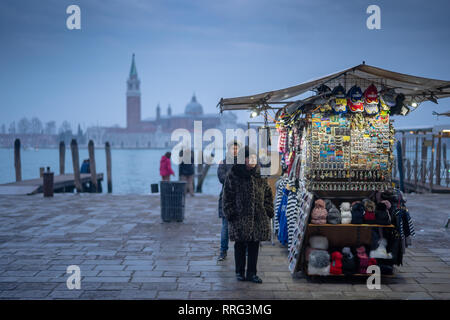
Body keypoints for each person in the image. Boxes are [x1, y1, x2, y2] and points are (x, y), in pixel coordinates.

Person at [223, 146, 274, 283]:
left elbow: (268, 193)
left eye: (254, 158)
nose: (252, 161)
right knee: (239, 245)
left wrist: (268, 209)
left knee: (254, 245)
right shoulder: (233, 174)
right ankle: (239, 272)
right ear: (242, 159)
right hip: (239, 217)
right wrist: (231, 213)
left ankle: (252, 273)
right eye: (249, 158)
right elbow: (227, 196)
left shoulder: (260, 175)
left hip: (258, 217)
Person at [217, 141, 240, 261]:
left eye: (237, 149)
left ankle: (242, 250)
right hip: (226, 199)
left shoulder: (242, 163)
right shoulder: (223, 163)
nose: (235, 151)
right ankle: (223, 251)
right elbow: (222, 179)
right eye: (233, 149)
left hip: (241, 199)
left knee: (241, 226)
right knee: (225, 226)